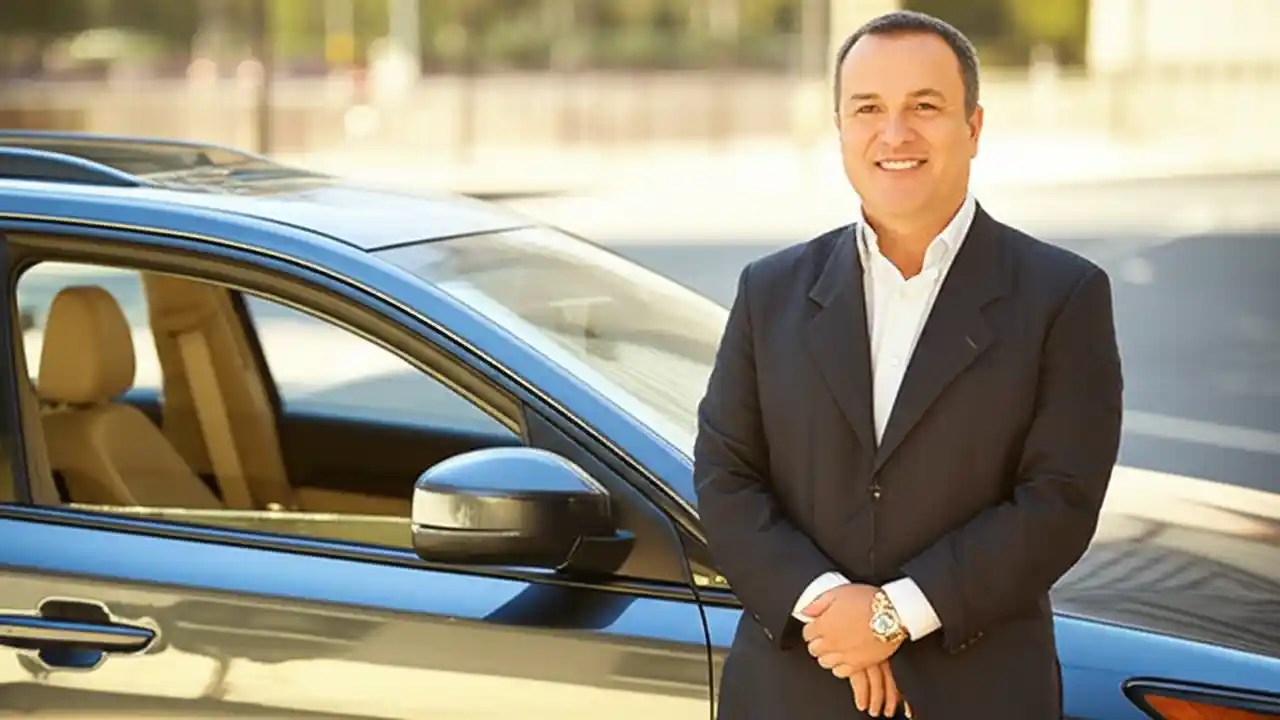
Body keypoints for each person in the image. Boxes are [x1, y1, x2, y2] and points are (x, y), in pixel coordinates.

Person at [693, 9, 1123, 719]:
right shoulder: (768, 291)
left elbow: (1058, 502)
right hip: (795, 685)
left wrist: (893, 615)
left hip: (974, 691)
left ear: (974, 128)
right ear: (840, 129)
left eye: (924, 107)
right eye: (869, 109)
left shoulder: (1062, 296)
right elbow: (726, 475)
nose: (895, 134)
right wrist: (833, 611)